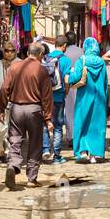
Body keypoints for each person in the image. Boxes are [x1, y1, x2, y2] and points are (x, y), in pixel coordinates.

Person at [0, 41, 54, 190]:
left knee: (15, 140)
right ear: (41, 55)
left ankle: (13, 165)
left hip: (16, 108)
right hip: (34, 110)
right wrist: (48, 118)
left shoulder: (14, 67)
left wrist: (2, 108)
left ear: (28, 52)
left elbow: (4, 89)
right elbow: (47, 97)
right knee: (35, 143)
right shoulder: (41, 71)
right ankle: (31, 178)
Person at [66, 37, 109, 163]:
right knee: (96, 125)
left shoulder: (82, 60)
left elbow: (75, 78)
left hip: (84, 97)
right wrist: (106, 98)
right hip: (99, 99)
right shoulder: (101, 62)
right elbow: (105, 82)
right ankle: (95, 155)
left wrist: (69, 74)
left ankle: (83, 151)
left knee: (82, 123)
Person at [44, 34, 69, 163]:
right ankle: (57, 156)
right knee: (58, 126)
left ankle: (45, 150)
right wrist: (67, 91)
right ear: (64, 46)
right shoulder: (65, 60)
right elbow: (66, 79)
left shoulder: (46, 57)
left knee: (46, 123)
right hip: (59, 97)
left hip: (46, 98)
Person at [62, 32, 83, 153]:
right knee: (79, 110)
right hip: (80, 84)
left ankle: (70, 137)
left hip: (68, 84)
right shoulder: (82, 51)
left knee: (69, 111)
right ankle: (79, 136)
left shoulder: (64, 53)